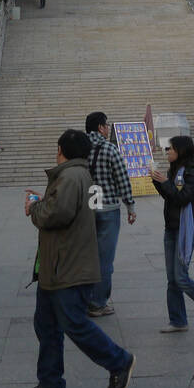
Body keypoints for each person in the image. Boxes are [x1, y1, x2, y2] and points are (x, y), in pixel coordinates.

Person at [19, 130, 135, 388]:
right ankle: (50, 384)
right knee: (46, 324)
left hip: (68, 266)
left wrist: (35, 209)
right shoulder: (76, 174)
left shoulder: (70, 176)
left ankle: (119, 361)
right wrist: (44, 201)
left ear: (62, 149)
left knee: (74, 323)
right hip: (56, 265)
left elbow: (56, 214)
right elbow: (62, 207)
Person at [149, 136, 194, 332]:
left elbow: (182, 198)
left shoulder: (193, 173)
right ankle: (178, 320)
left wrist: (165, 182)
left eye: (170, 149)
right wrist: (157, 180)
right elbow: (170, 195)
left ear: (180, 151)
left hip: (185, 229)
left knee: (181, 278)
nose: (167, 152)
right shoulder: (174, 170)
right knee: (172, 279)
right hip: (171, 228)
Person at [84, 111, 137, 317]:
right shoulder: (109, 148)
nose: (108, 129)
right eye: (106, 125)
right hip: (107, 209)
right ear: (100, 128)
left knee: (87, 257)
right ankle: (98, 303)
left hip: (86, 209)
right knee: (104, 259)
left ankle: (86, 298)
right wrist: (130, 206)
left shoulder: (79, 149)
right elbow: (122, 179)